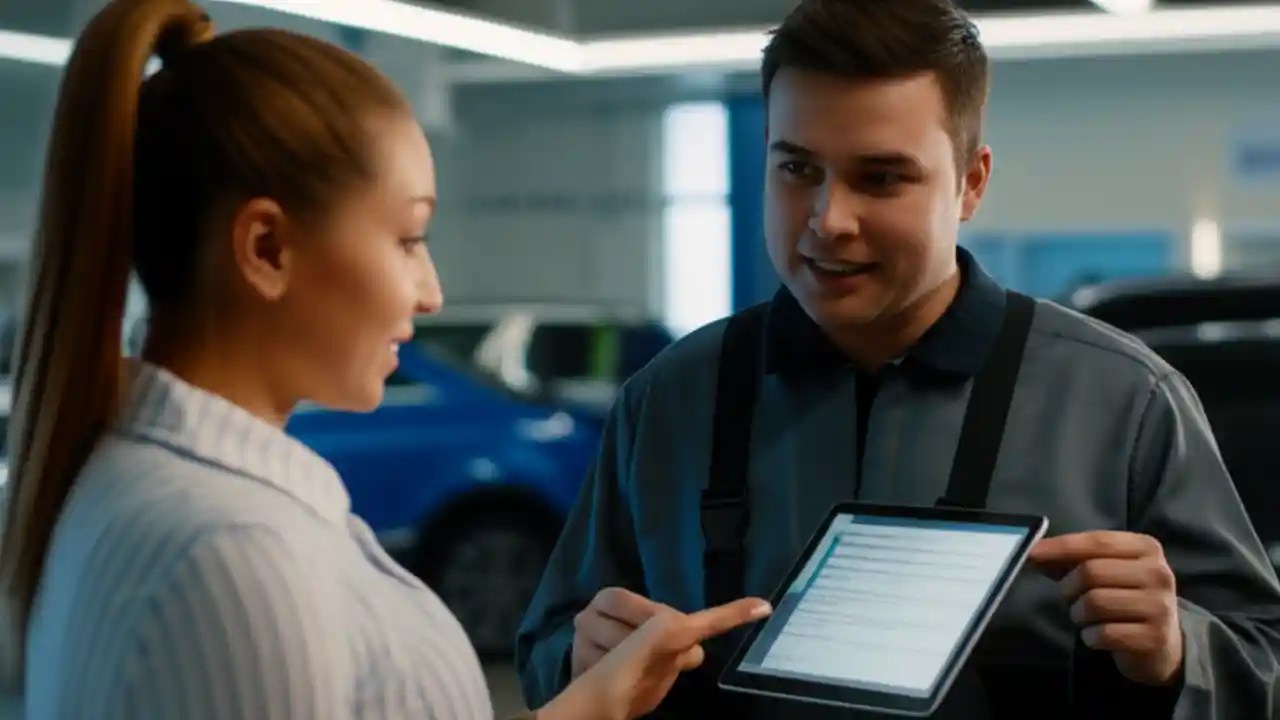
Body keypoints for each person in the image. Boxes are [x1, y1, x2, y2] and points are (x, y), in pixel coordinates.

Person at [0, 1, 773, 718]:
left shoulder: (143, 480)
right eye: (407, 238)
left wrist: (588, 706)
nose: (431, 292)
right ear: (266, 248)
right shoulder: (236, 556)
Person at [515, 1, 1280, 718]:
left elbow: (1265, 658)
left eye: (880, 178)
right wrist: (578, 657)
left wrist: (1181, 649)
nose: (829, 221)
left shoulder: (1124, 403)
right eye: (796, 170)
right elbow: (550, 639)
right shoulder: (670, 400)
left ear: (971, 182)